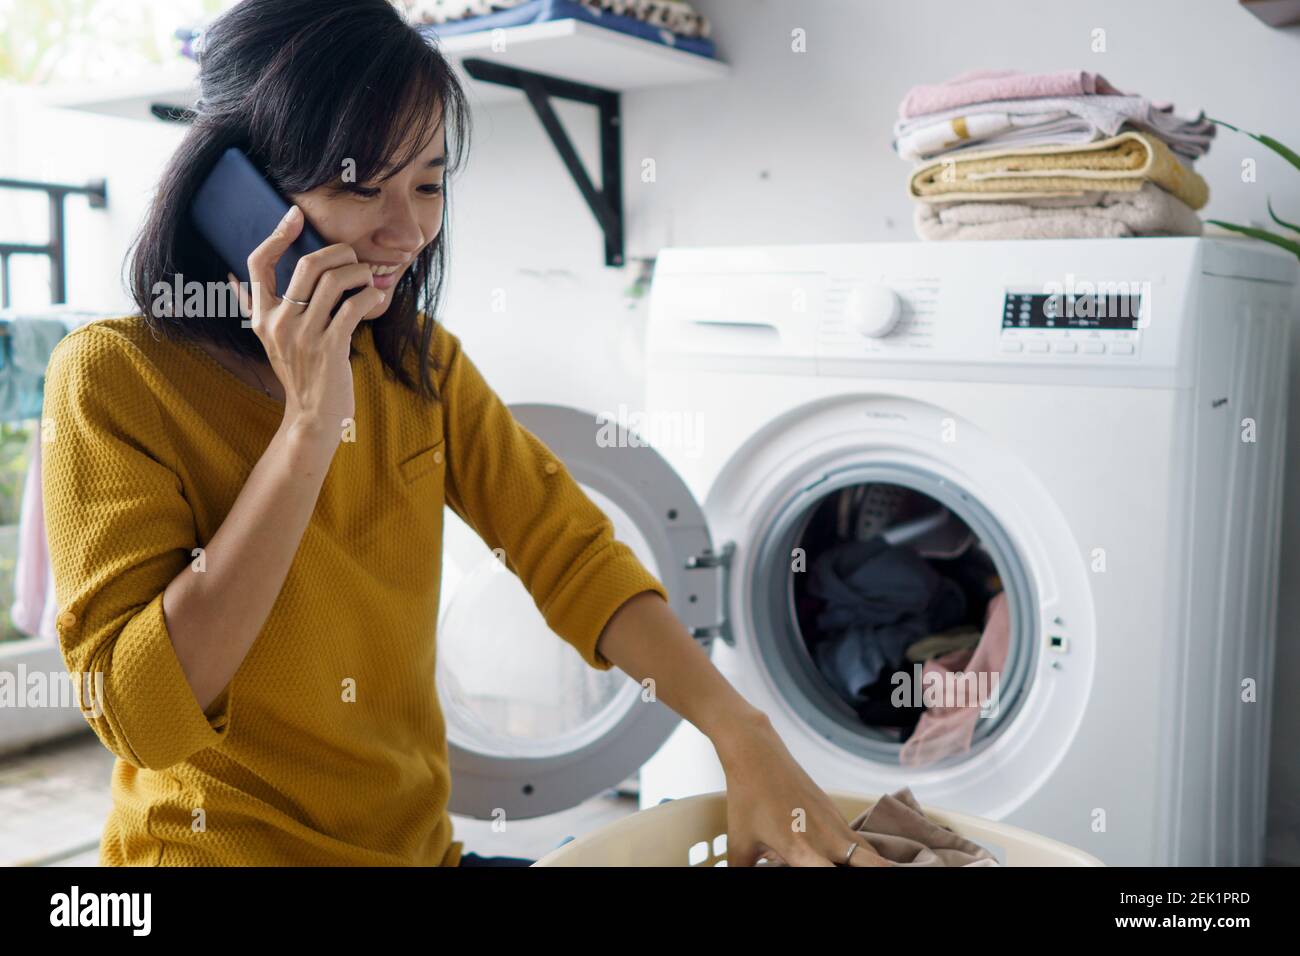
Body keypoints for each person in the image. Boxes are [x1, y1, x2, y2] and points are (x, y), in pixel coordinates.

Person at [41, 0, 885, 868]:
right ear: (238, 193)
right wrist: (307, 429)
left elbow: (571, 552)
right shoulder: (112, 378)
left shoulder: (419, 365)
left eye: (429, 184)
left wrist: (742, 733)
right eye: (360, 186)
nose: (405, 232)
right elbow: (141, 713)